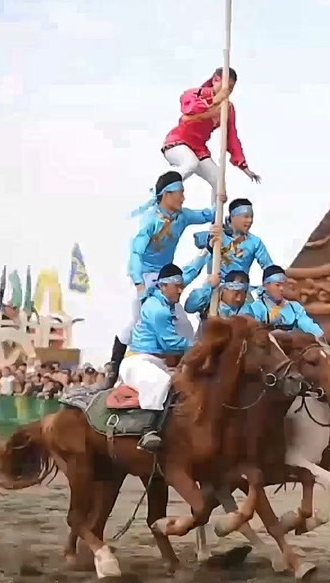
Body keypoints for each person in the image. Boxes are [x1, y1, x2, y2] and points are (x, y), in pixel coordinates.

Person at [103, 171, 221, 388]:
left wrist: (219, 196)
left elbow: (210, 214)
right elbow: (136, 253)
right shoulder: (150, 220)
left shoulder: (182, 216)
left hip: (168, 275)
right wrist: (139, 285)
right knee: (136, 321)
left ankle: (192, 371)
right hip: (147, 277)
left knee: (184, 325)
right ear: (166, 194)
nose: (183, 198)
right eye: (180, 193)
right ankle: (113, 368)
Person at [117, 263, 192, 452]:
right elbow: (169, 343)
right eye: (177, 286)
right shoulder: (157, 309)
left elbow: (190, 272)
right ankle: (148, 431)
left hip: (158, 361)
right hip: (138, 361)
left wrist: (206, 253)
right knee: (163, 381)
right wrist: (198, 345)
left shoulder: (166, 303)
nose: (181, 290)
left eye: (182, 286)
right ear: (163, 286)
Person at [162, 67, 262, 202]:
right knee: (190, 163)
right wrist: (214, 100)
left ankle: (215, 218)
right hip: (179, 142)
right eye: (226, 86)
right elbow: (189, 107)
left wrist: (244, 166)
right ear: (215, 80)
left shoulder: (228, 108)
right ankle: (162, 189)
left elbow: (231, 137)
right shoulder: (197, 93)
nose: (227, 91)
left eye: (231, 88)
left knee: (218, 180)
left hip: (198, 148)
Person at [193, 198, 274, 280]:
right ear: (232, 216)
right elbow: (198, 242)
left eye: (251, 217)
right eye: (246, 216)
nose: (250, 220)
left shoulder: (255, 242)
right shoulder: (216, 236)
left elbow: (269, 267)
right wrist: (210, 240)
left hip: (241, 288)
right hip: (216, 287)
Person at [248, 265, 323, 335]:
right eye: (277, 285)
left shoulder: (294, 307)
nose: (282, 288)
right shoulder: (256, 308)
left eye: (284, 285)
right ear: (265, 286)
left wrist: (322, 337)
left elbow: (308, 326)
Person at [185, 269, 254, 325]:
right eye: (236, 294)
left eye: (243, 295)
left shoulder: (246, 309)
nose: (239, 299)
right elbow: (190, 307)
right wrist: (208, 285)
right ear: (225, 289)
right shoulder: (209, 300)